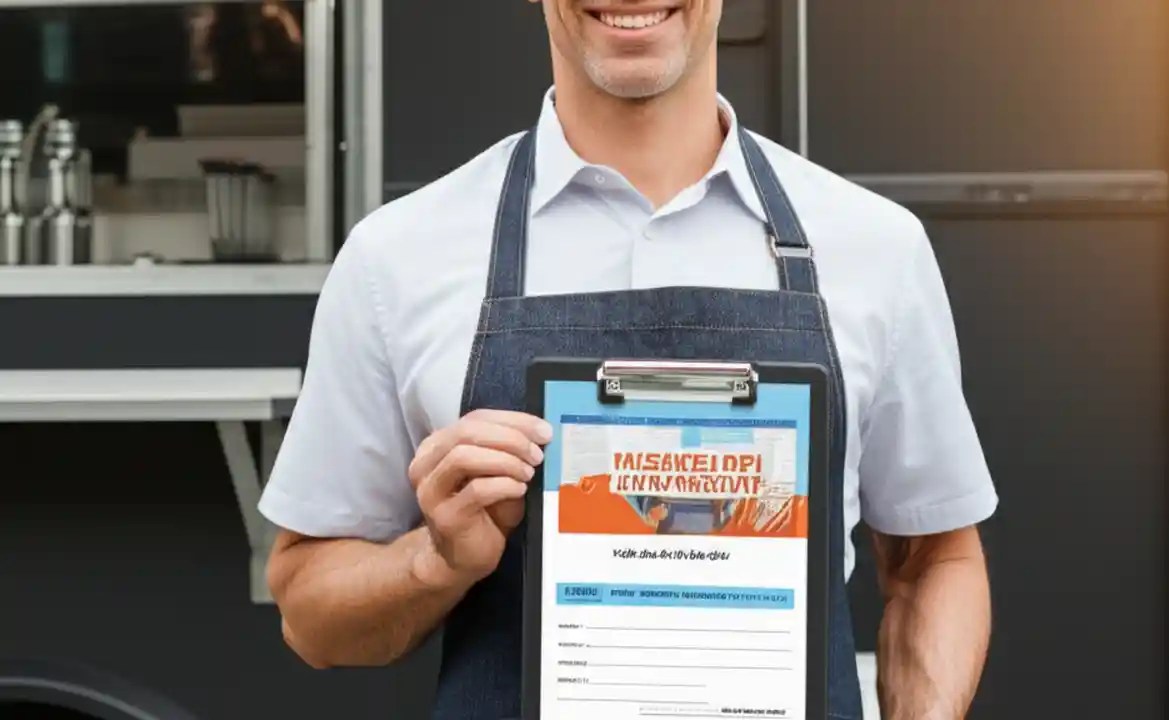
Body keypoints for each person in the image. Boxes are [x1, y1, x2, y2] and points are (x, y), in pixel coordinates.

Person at [257, 1, 1000, 718]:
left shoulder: (876, 247)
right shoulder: (398, 258)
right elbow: (310, 615)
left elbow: (932, 562)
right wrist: (436, 561)